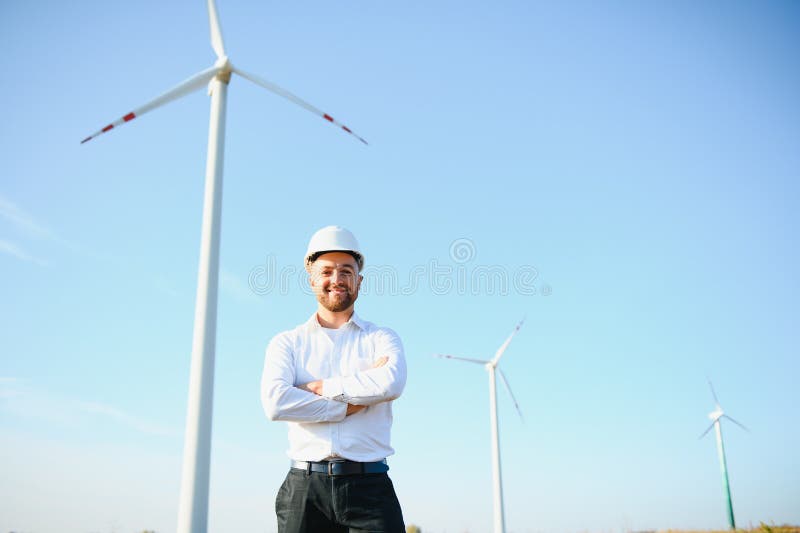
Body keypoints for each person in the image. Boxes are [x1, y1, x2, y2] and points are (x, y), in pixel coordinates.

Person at [261, 225, 407, 533]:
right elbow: (276, 403)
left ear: (359, 280)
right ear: (312, 279)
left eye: (346, 271)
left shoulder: (382, 338)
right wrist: (348, 404)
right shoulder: (287, 343)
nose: (336, 279)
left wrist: (320, 388)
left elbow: (391, 383)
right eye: (326, 271)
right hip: (303, 492)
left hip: (371, 491)